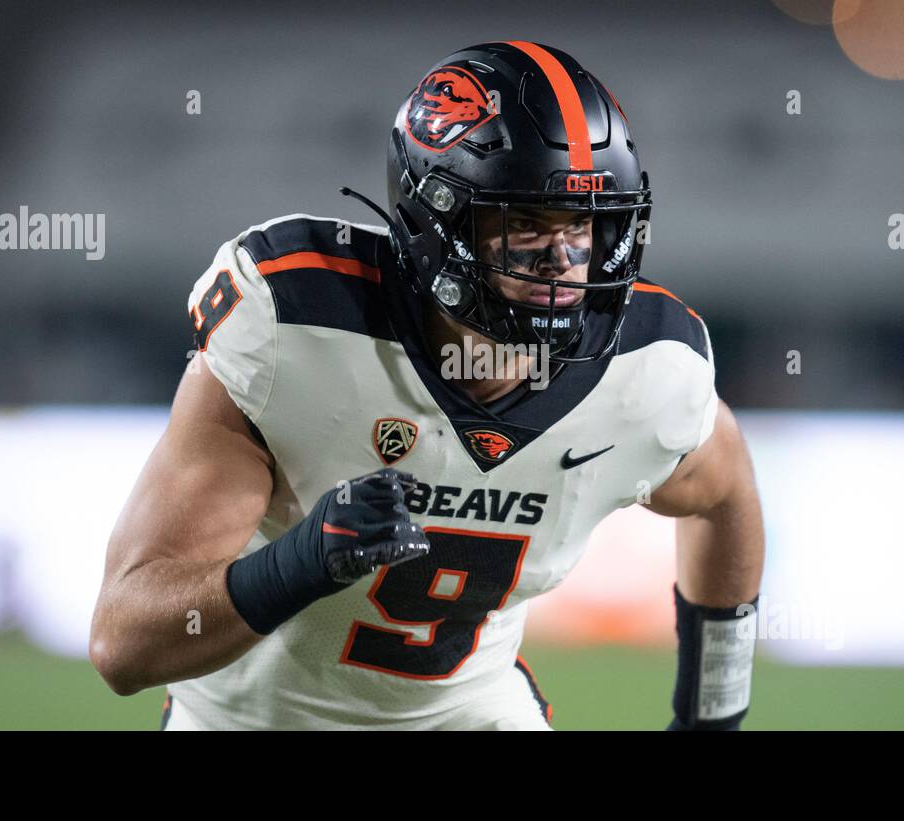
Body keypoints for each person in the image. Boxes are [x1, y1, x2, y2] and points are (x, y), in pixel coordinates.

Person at [89, 41, 764, 730]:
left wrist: (712, 716)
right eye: (526, 225)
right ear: (437, 221)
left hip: (465, 713)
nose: (563, 263)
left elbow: (726, 489)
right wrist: (303, 561)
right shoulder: (296, 329)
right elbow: (124, 642)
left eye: (584, 227)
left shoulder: (646, 371)